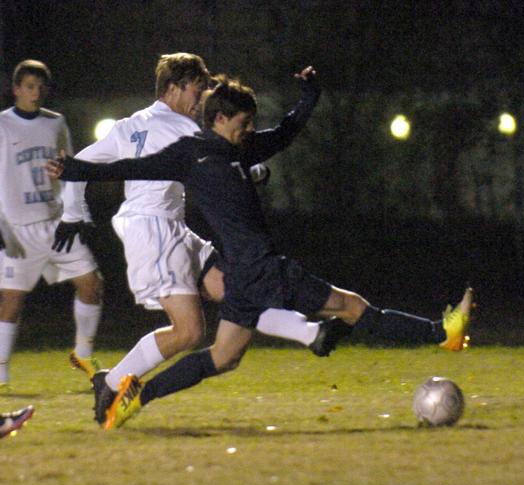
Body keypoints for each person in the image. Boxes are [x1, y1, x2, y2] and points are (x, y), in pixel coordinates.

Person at [48, 66, 473, 430]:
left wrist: (309, 96)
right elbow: (129, 167)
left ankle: (135, 398)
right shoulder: (187, 155)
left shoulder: (238, 148)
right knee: (353, 306)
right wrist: (74, 169)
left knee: (224, 356)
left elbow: (285, 133)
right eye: (243, 123)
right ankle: (441, 333)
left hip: (242, 271)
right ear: (219, 118)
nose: (249, 131)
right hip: (263, 268)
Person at [57, 53, 340, 425]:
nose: (202, 96)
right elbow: (227, 158)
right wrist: (253, 171)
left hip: (169, 227)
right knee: (190, 330)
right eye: (197, 88)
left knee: (235, 288)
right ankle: (109, 382)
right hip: (153, 230)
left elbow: (81, 165)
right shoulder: (184, 130)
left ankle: (310, 333)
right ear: (173, 88)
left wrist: (72, 214)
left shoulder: (128, 126)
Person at [0, 60, 103, 388]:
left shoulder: (55, 122)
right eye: (29, 86)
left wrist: (77, 215)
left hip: (56, 223)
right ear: (16, 89)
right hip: (19, 228)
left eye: (41, 87)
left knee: (92, 284)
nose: (36, 93)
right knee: (12, 300)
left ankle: (83, 354)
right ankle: (0, 371)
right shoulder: (2, 124)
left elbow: (69, 170)